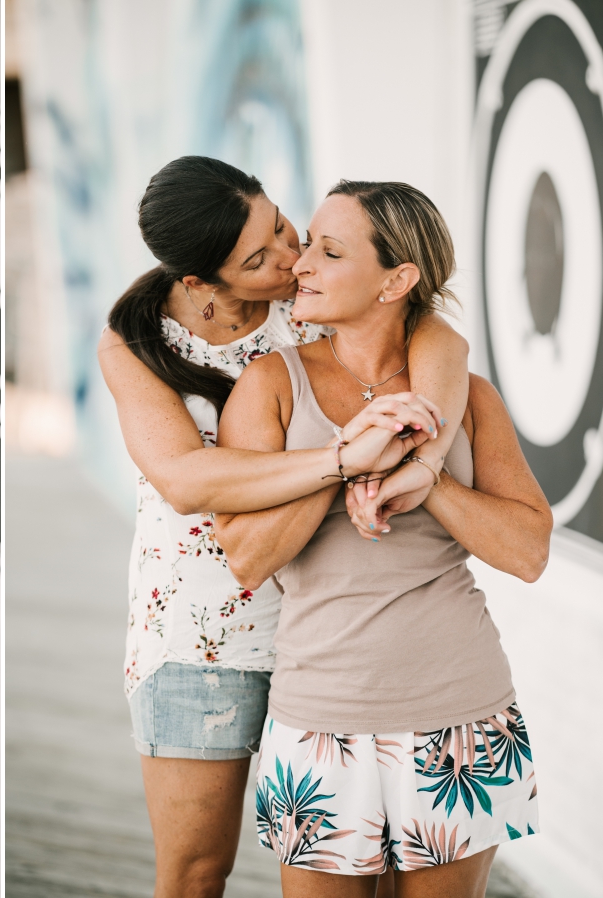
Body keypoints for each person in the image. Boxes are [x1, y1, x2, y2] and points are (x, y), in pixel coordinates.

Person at [97, 157, 468, 898]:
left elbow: (438, 339)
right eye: (258, 259)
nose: (292, 258)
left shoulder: (313, 300)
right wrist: (343, 460)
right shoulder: (136, 343)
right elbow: (184, 480)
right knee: (198, 871)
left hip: (333, 621)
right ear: (203, 282)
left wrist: (422, 460)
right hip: (205, 627)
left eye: (278, 224)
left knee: (362, 859)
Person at [213, 181, 550, 897]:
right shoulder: (271, 387)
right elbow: (247, 558)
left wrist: (430, 478)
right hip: (319, 715)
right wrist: (349, 456)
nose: (300, 263)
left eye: (330, 252)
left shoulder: (466, 395)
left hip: (461, 714)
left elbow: (528, 551)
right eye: (309, 243)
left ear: (397, 280)